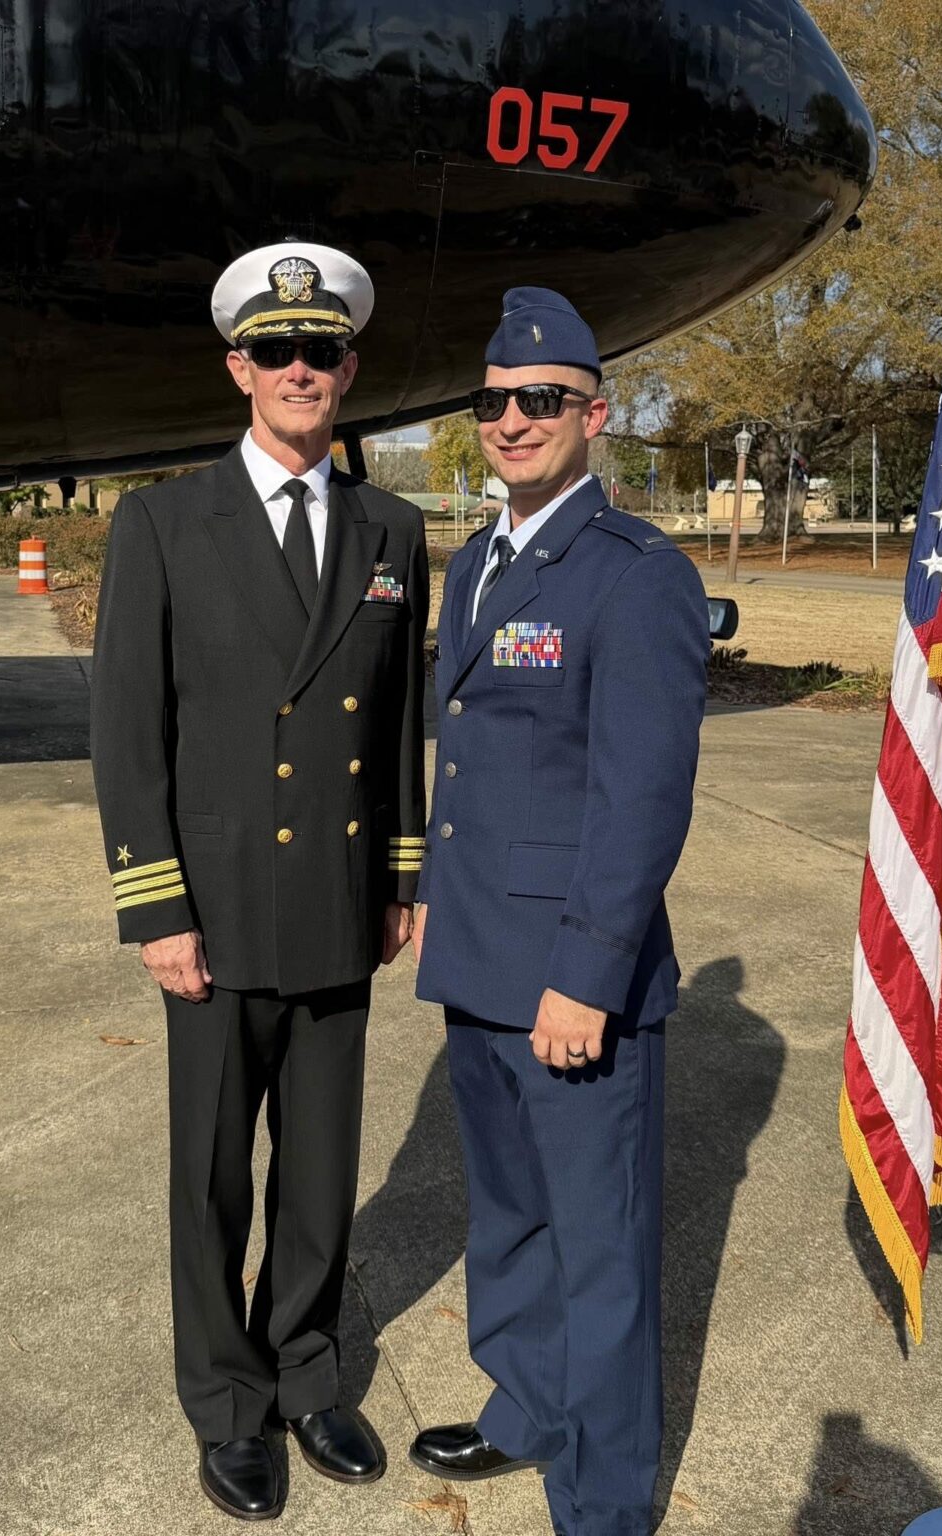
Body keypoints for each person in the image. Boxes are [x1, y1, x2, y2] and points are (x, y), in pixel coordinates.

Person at [90, 241, 427, 1521]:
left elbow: (397, 724)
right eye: (276, 352)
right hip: (218, 917)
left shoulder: (393, 527)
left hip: (340, 905)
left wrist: (403, 872)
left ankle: (306, 1373)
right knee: (215, 1174)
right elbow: (128, 733)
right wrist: (155, 908)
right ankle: (227, 1402)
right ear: (239, 367)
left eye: (323, 352)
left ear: (350, 370)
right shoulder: (168, 522)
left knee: (323, 1171)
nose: (301, 371)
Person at [410, 288, 709, 1536]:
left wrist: (586, 975)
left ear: (596, 414)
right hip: (480, 955)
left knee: (599, 1247)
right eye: (493, 401)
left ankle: (603, 1502)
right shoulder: (479, 563)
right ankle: (525, 1411)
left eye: (541, 400)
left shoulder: (636, 574)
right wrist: (432, 895)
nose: (512, 420)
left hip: (570, 976)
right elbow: (469, 752)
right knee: (512, 1218)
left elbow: (641, 798)